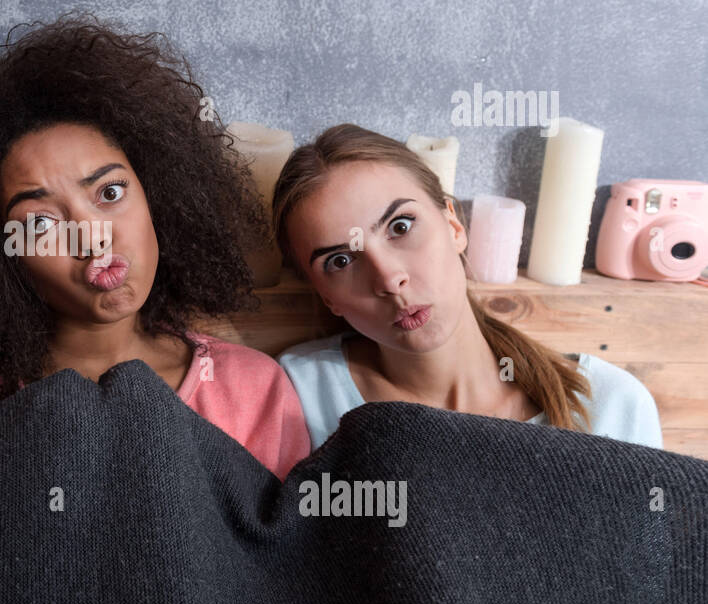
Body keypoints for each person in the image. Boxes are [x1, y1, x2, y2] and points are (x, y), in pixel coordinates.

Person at [0, 14, 311, 479]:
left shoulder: (253, 390)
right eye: (41, 222)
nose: (92, 236)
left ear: (159, 198)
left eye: (110, 193)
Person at [272, 123, 663, 450]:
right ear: (326, 296)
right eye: (340, 261)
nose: (390, 279)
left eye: (400, 227)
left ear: (454, 227)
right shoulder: (299, 395)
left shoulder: (610, 407)